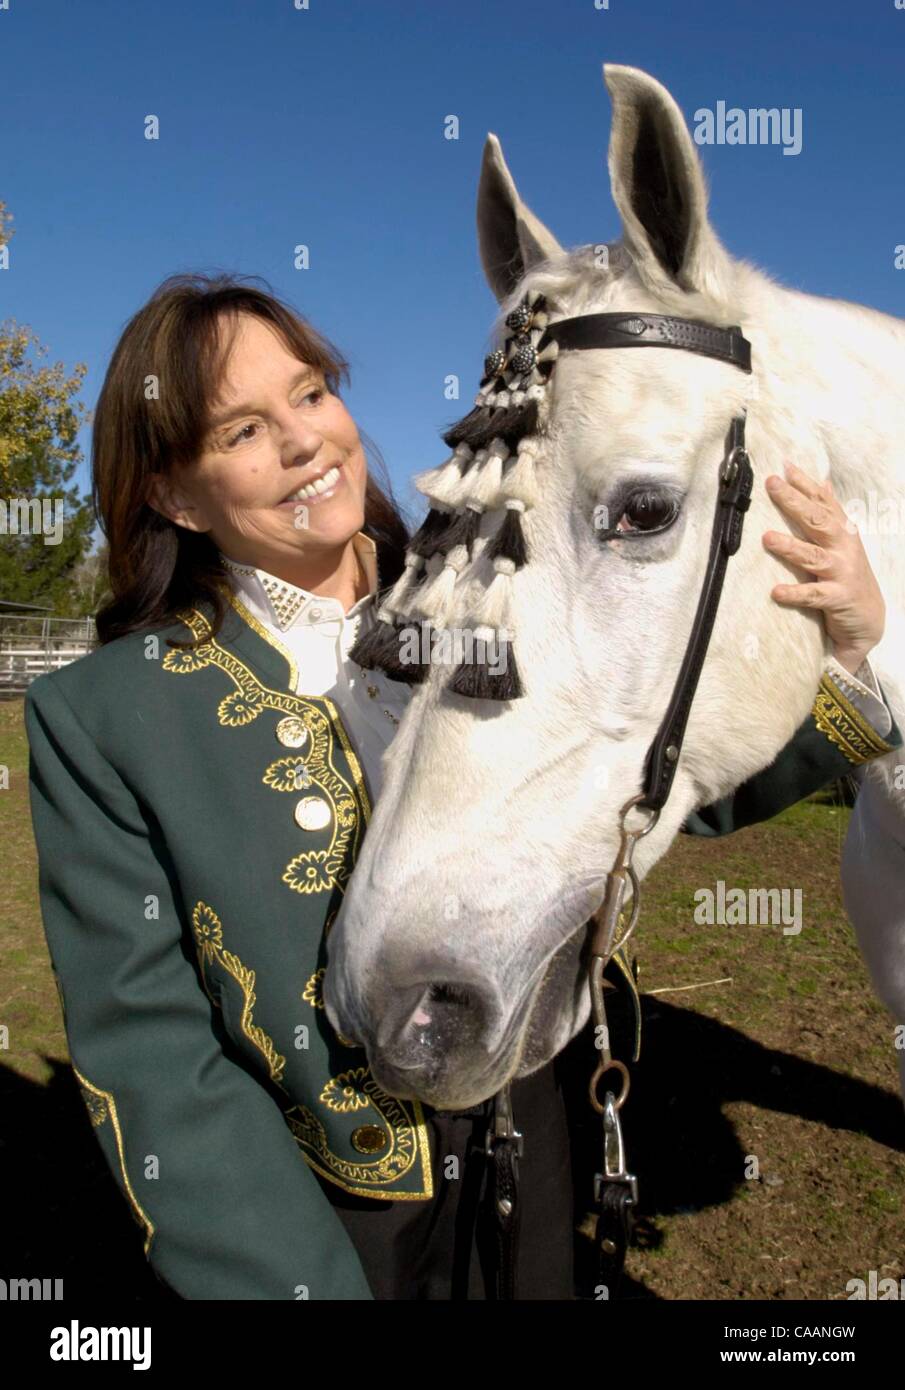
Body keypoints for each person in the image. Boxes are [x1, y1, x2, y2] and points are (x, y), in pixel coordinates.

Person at [25, 273, 901, 1301]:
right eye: (244, 431)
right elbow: (157, 1062)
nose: (304, 440)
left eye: (310, 394)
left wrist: (849, 661)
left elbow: (654, 786)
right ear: (175, 493)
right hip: (329, 1206)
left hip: (533, 1131)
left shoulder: (498, 587)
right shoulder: (105, 717)